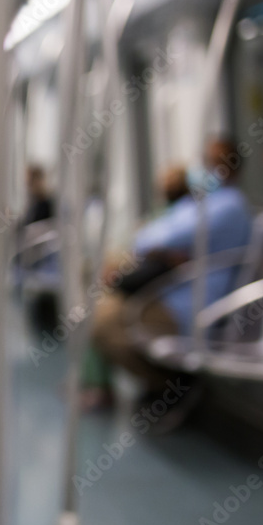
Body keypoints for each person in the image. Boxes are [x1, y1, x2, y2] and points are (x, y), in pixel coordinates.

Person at [90, 142, 253, 428]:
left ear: (233, 168)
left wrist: (161, 248)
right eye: (205, 161)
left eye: (215, 163)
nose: (207, 169)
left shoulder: (230, 206)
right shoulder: (199, 202)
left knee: (105, 323)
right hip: (168, 293)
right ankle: (156, 386)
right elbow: (147, 235)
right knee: (101, 304)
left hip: (194, 305)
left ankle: (174, 385)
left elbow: (153, 238)